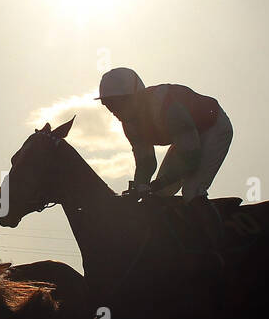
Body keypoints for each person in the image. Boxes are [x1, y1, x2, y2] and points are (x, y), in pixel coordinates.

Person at [97, 68, 233, 254]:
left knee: (192, 190)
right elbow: (146, 163)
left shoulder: (168, 108)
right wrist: (139, 186)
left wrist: (159, 182)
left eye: (117, 103)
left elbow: (191, 160)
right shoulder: (129, 124)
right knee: (158, 196)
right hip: (186, 138)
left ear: (135, 97)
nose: (113, 111)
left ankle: (221, 249)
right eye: (108, 105)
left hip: (213, 128)